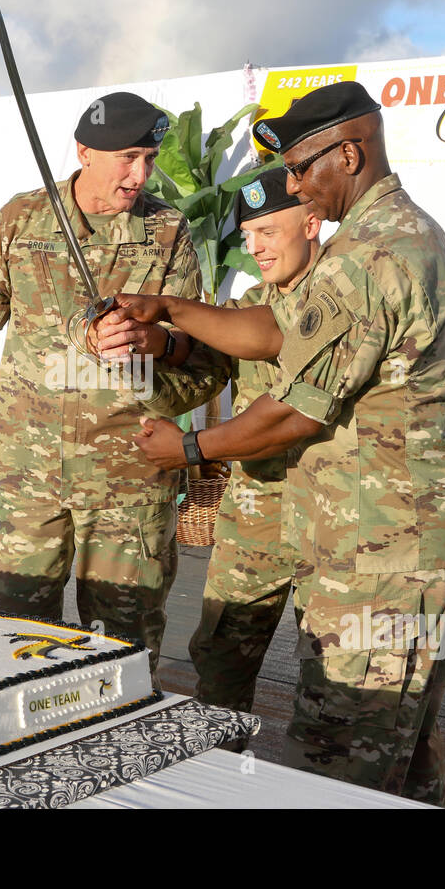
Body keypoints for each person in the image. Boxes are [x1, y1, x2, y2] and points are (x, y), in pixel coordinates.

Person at [97, 81, 445, 804]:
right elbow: (277, 336)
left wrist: (188, 451)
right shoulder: (387, 239)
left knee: (340, 762)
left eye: (304, 167)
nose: (295, 186)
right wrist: (171, 310)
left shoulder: (374, 255)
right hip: (379, 548)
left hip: (381, 558)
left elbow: (293, 413)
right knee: (401, 758)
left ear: (350, 152)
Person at [0, 91, 227, 676]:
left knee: (124, 644)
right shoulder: (20, 220)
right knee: (20, 631)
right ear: (83, 152)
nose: (140, 174)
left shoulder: (167, 230)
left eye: (149, 157)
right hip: (30, 470)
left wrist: (156, 342)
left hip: (129, 472)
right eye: (127, 157)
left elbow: (197, 345)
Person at [182, 167, 321, 715]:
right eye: (248, 236)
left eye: (269, 232)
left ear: (311, 223)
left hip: (333, 526)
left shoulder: (361, 297)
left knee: (339, 688)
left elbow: (425, 404)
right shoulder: (243, 309)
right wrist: (148, 345)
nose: (255, 248)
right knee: (218, 667)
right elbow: (192, 370)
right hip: (253, 523)